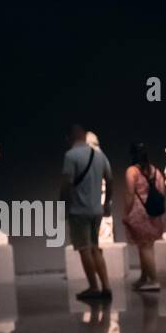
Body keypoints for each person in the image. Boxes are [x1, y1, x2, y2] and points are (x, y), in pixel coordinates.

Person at [61, 124, 114, 300]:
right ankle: (106, 286)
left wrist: (63, 206)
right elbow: (110, 179)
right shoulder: (99, 156)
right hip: (96, 210)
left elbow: (67, 184)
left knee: (85, 249)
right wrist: (107, 203)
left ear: (70, 137)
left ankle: (93, 287)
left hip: (79, 210)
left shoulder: (71, 156)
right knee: (95, 248)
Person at [123, 142, 166, 291]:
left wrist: (126, 213)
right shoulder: (155, 171)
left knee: (145, 247)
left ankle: (154, 280)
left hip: (139, 213)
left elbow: (130, 194)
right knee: (145, 246)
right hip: (154, 214)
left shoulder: (132, 171)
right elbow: (162, 190)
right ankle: (144, 277)